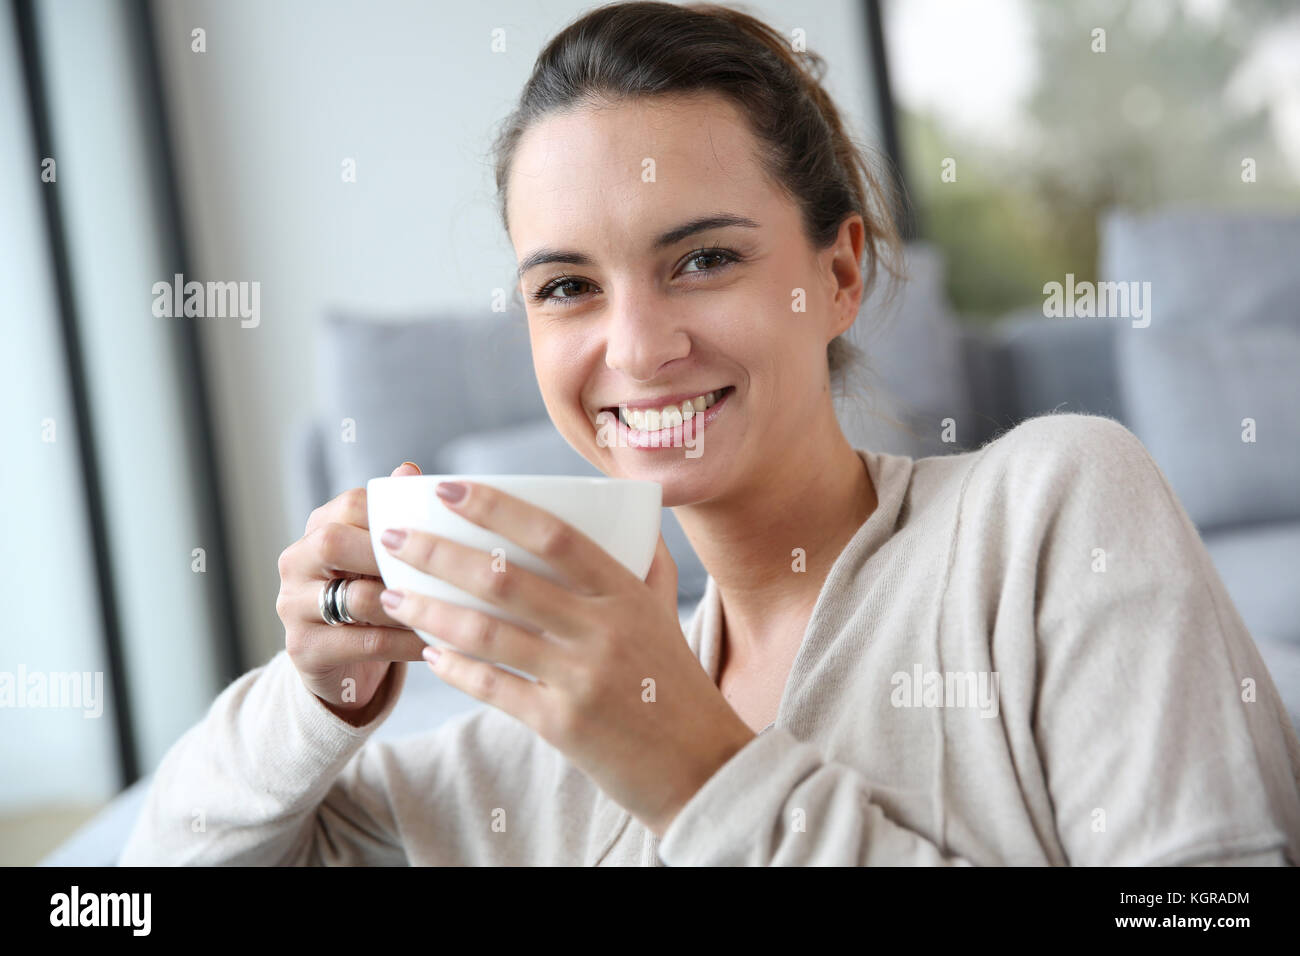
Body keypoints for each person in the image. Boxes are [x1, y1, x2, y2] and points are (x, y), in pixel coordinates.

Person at [120, 1, 1300, 866]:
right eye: (567, 286)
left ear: (838, 273)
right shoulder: (530, 754)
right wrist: (312, 693)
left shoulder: (1050, 510)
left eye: (702, 259)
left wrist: (692, 767)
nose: (637, 349)